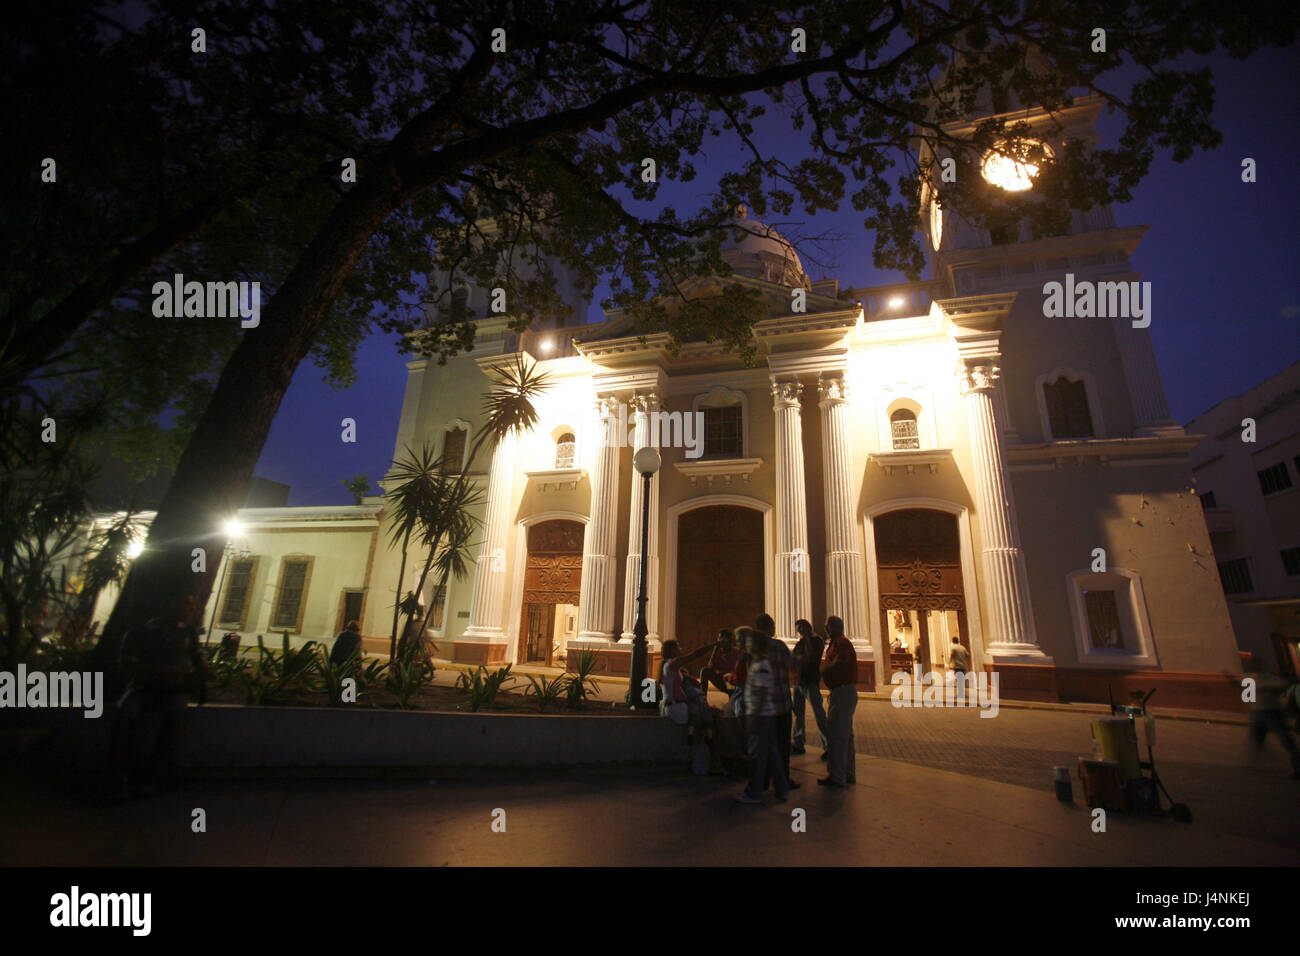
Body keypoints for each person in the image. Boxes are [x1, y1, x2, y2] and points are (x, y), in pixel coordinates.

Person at [107, 594, 207, 800]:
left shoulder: (188, 633)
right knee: (126, 714)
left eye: (191, 605)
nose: (189, 610)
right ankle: (117, 776)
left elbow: (198, 659)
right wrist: (156, 673)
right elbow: (127, 665)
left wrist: (203, 673)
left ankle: (152, 777)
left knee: (174, 722)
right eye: (184, 604)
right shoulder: (140, 632)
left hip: (173, 690)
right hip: (144, 687)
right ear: (169, 604)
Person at [734, 629, 789, 804]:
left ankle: (755, 792)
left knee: (758, 757)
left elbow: (764, 693)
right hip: (766, 715)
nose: (744, 645)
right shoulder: (759, 662)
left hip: (761, 716)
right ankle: (782, 789)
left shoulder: (762, 665)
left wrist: (754, 717)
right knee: (772, 754)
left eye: (748, 642)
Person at [755, 613, 797, 790]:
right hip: (782, 705)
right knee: (782, 746)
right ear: (770, 627)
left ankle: (762, 781)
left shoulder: (753, 648)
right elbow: (795, 665)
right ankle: (783, 780)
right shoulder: (779, 646)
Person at [818, 615, 858, 788]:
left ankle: (836, 777)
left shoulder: (841, 643)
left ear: (836, 627)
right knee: (845, 736)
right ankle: (848, 773)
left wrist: (822, 669)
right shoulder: (836, 643)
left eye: (828, 626)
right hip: (841, 691)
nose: (826, 629)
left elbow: (839, 662)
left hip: (842, 691)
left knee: (837, 736)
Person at [791, 619, 828, 755]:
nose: (799, 631)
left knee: (819, 714)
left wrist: (805, 645)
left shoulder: (817, 640)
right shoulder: (800, 642)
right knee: (798, 714)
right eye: (798, 628)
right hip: (798, 682)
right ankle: (798, 743)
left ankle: (828, 746)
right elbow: (794, 658)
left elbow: (810, 658)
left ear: (808, 627)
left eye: (801, 627)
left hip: (810, 682)